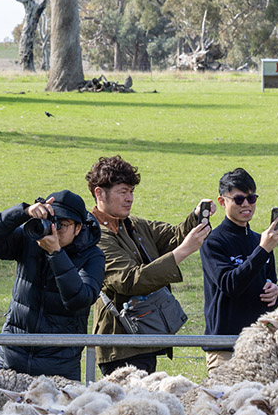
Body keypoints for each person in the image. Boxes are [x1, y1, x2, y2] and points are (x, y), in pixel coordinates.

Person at [86, 156, 212, 376]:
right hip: (121, 346)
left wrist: (195, 216)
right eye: (123, 191)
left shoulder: (133, 225)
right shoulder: (95, 237)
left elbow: (173, 236)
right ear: (99, 193)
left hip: (143, 336)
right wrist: (183, 252)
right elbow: (130, 280)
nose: (129, 198)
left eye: (131, 191)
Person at [0, 190, 104, 380]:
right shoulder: (31, 240)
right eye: (52, 221)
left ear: (78, 228)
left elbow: (79, 299)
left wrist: (56, 254)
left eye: (62, 225)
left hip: (59, 369)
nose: (54, 229)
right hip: (11, 361)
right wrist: (24, 212)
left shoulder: (93, 256)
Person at [199, 168, 278, 373]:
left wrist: (276, 293)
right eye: (238, 199)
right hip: (226, 348)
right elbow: (230, 285)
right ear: (222, 201)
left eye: (251, 198)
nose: (246, 204)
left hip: (260, 347)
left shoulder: (260, 240)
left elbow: (269, 283)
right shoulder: (213, 241)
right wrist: (263, 250)